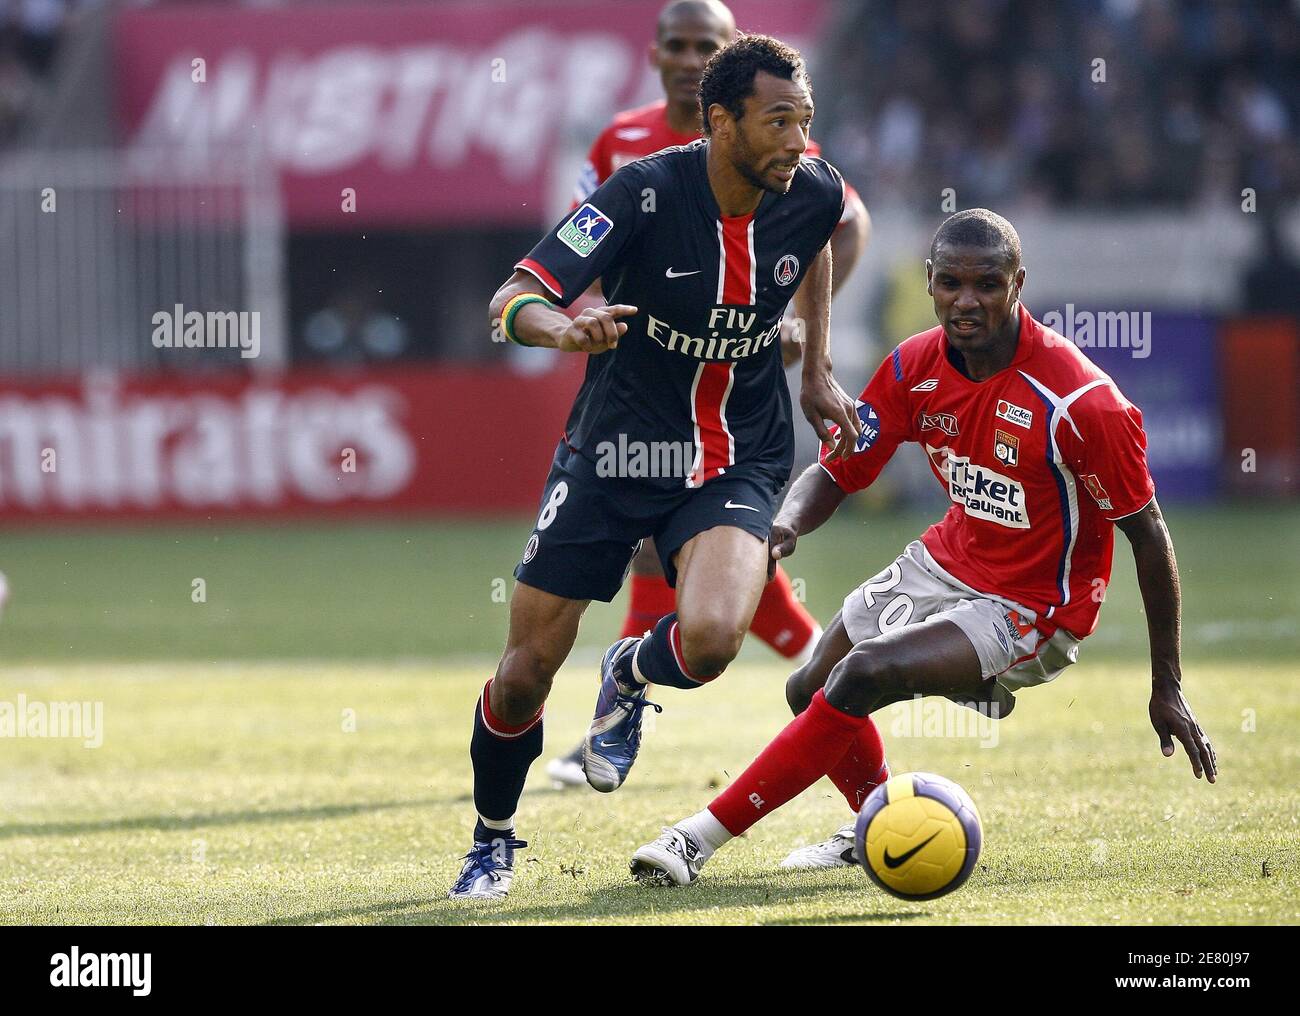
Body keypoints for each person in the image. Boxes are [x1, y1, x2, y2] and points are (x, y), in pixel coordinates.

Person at [629, 208, 1218, 886]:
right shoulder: (914, 366)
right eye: (952, 284)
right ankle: (872, 822)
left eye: (988, 285)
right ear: (931, 282)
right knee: (809, 688)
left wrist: (1166, 683)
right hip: (948, 559)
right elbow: (836, 470)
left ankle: (693, 840)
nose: (967, 302)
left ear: (1018, 283)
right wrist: (781, 529)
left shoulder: (1082, 403)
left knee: (865, 673)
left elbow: (1147, 535)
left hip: (1034, 605)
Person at [450, 35, 862, 899]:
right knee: (523, 675)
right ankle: (491, 839)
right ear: (721, 122)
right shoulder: (643, 190)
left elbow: (822, 237)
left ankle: (631, 671)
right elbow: (512, 298)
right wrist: (560, 328)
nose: (798, 140)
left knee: (712, 641)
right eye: (778, 121)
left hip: (738, 457)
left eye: (806, 121)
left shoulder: (811, 190)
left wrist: (817, 367)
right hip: (614, 454)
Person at [546, 0, 871, 788]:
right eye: (679, 45)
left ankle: (633, 685)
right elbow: (574, 250)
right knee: (719, 595)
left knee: (718, 597)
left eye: (708, 45)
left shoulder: (778, 141)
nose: (691, 58)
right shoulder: (627, 150)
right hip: (643, 409)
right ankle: (862, 758)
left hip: (737, 422)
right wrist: (577, 318)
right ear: (657, 56)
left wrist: (801, 337)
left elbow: (832, 224)